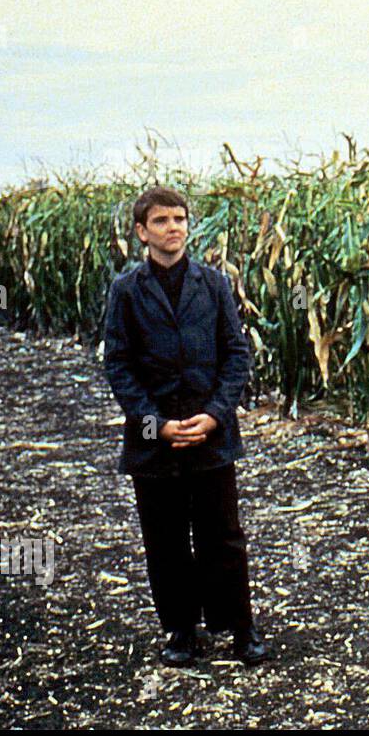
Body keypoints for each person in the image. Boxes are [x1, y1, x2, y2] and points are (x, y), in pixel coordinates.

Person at [102, 186, 269, 667]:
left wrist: (215, 414)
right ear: (141, 232)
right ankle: (180, 630)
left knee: (223, 536)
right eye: (160, 221)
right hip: (153, 439)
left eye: (179, 219)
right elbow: (118, 363)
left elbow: (236, 355)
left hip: (210, 432)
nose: (172, 227)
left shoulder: (214, 283)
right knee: (165, 540)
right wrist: (156, 423)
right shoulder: (127, 290)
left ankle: (239, 626)